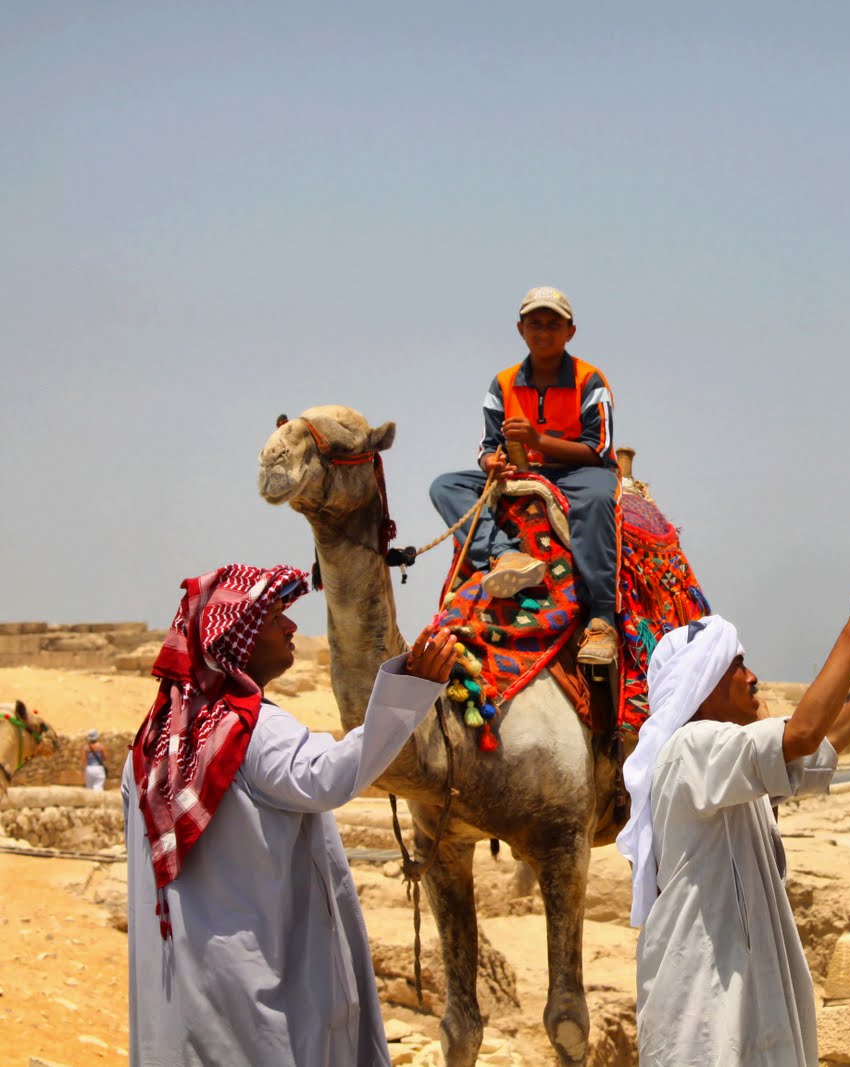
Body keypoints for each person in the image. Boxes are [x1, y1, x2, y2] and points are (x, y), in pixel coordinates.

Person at [122, 563, 457, 1066]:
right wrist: (410, 693)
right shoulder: (251, 729)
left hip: (183, 985)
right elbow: (328, 778)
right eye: (275, 615)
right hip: (260, 979)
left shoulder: (150, 745)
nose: (291, 626)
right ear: (235, 638)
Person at [617, 576, 850, 1066]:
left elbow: (824, 741)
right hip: (705, 1014)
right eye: (737, 665)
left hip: (746, 1002)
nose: (752, 677)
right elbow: (800, 735)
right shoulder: (692, 750)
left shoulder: (728, 767)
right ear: (704, 681)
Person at [429, 286, 621, 666]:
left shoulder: (589, 380)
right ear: (521, 329)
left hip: (583, 472)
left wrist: (537, 440)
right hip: (523, 471)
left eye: (553, 324)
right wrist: (492, 464)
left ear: (571, 331)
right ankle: (504, 555)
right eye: (535, 323)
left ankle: (602, 614)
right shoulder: (502, 383)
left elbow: (598, 449)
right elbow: (488, 444)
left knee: (599, 500)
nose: (544, 332)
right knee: (446, 486)